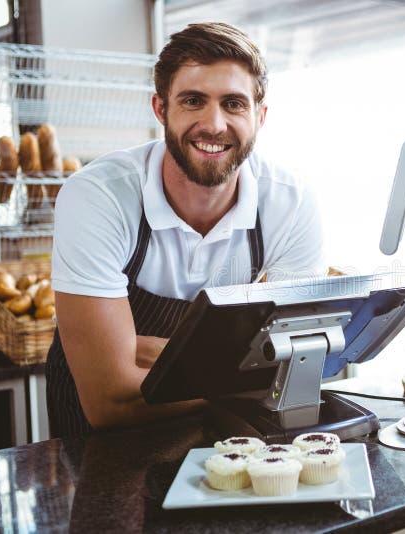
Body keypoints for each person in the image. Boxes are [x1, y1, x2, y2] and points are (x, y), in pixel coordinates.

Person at [46, 23, 324, 438]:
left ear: (260, 116)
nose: (213, 124)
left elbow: (295, 364)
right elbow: (110, 399)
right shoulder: (97, 196)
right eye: (193, 101)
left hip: (224, 437)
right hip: (98, 444)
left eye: (233, 104)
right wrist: (242, 375)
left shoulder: (291, 204)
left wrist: (137, 351)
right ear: (161, 109)